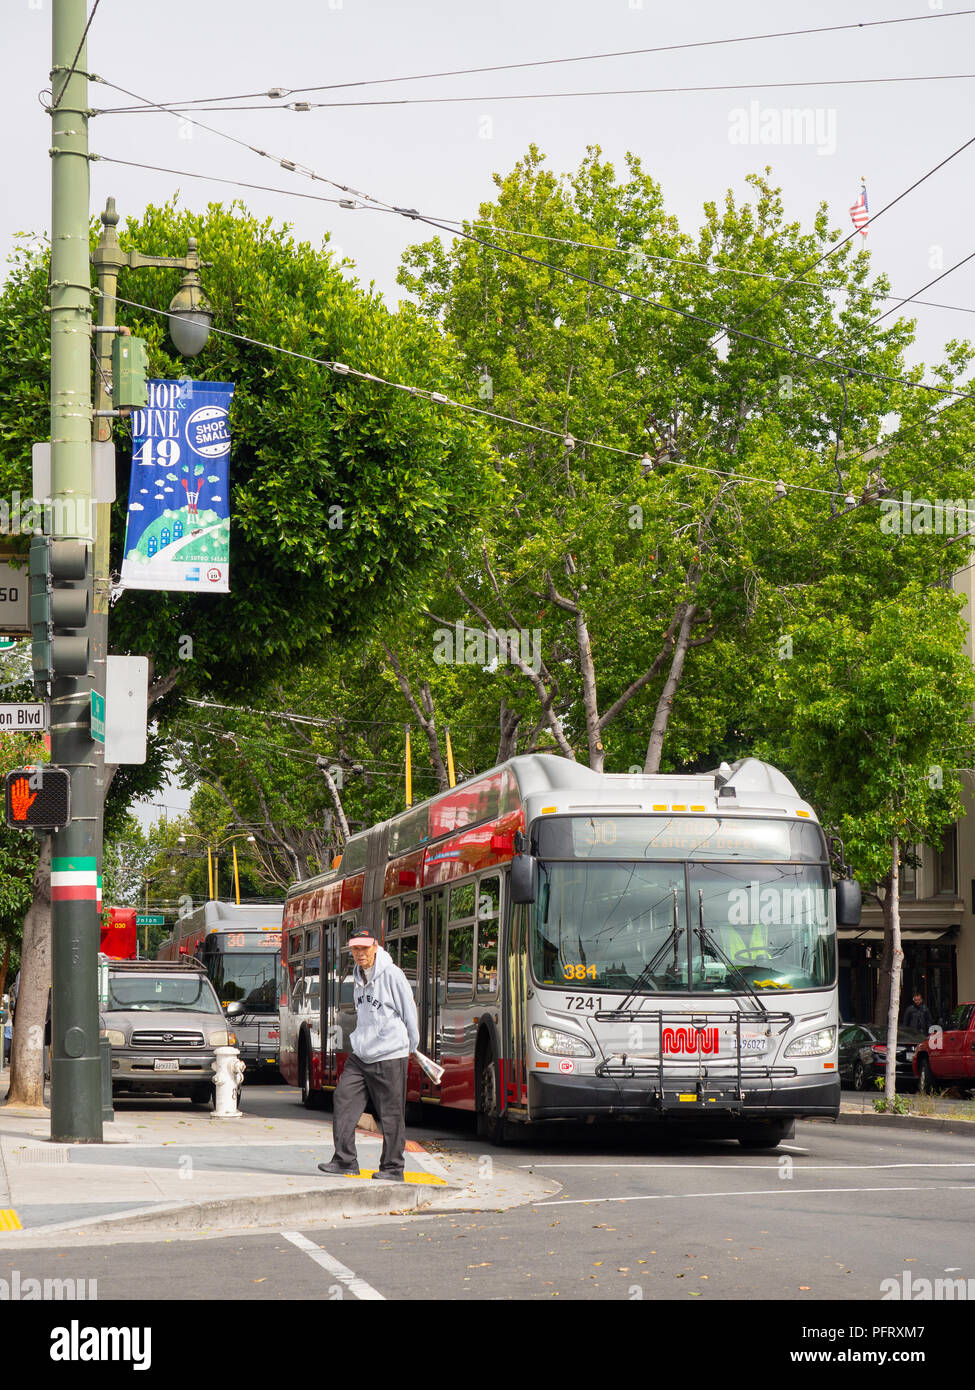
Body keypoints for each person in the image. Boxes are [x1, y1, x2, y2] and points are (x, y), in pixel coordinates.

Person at [318, 933, 419, 1183]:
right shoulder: (358, 975)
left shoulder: (392, 975)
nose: (360, 953)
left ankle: (393, 1168)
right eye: (355, 949)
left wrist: (411, 1047)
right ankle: (345, 1161)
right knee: (343, 1098)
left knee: (391, 1113)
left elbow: (409, 1010)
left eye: (364, 948)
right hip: (361, 1055)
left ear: (375, 947)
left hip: (389, 1053)